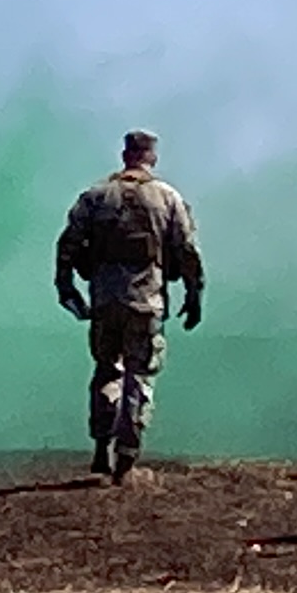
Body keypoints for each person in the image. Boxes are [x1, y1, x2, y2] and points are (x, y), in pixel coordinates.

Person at [51, 129, 204, 483]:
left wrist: (66, 288)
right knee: (140, 375)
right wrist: (195, 295)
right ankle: (127, 458)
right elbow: (188, 251)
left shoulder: (95, 197)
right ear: (152, 157)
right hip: (147, 300)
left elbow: (68, 245)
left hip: (104, 298)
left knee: (107, 370)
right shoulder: (167, 199)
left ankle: (101, 450)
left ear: (125, 155)